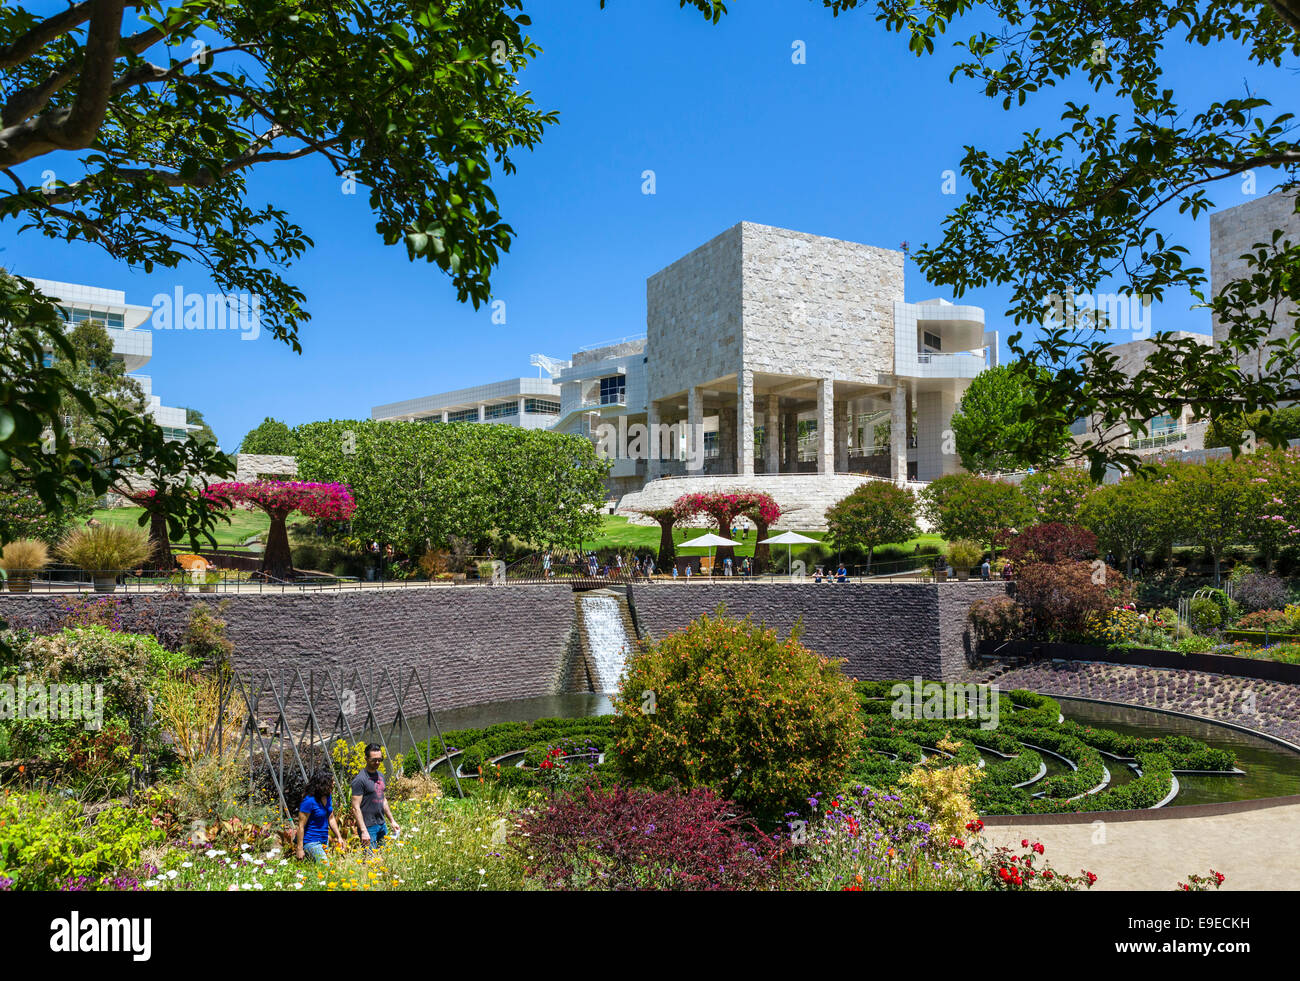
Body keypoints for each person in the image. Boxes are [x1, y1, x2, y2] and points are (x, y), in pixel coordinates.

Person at [351, 744, 399, 849]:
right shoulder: (360, 780)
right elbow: (355, 807)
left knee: (384, 855)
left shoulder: (380, 775)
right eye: (374, 760)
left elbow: (383, 799)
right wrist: (363, 830)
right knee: (370, 857)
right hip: (368, 827)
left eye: (380, 759)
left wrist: (392, 820)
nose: (377, 762)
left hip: (382, 824)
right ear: (366, 759)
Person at [296, 767, 344, 864]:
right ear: (324, 783)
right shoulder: (309, 801)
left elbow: (331, 818)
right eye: (331, 781)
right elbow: (301, 826)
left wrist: (339, 837)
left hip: (324, 840)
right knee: (325, 866)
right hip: (311, 841)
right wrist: (299, 849)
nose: (334, 783)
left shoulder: (328, 797)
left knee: (319, 869)